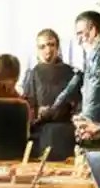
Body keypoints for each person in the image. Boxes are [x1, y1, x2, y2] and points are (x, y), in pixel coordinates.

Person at [48, 11, 100, 127]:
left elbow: (96, 90)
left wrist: (87, 118)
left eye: (80, 33)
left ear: (93, 31)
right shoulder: (97, 54)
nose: (78, 40)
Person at [20, 29, 78, 160]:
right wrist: (37, 112)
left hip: (65, 133)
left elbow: (78, 105)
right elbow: (27, 104)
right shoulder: (33, 73)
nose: (48, 50)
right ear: (37, 50)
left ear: (57, 47)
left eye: (51, 45)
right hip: (41, 133)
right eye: (43, 46)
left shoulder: (70, 73)